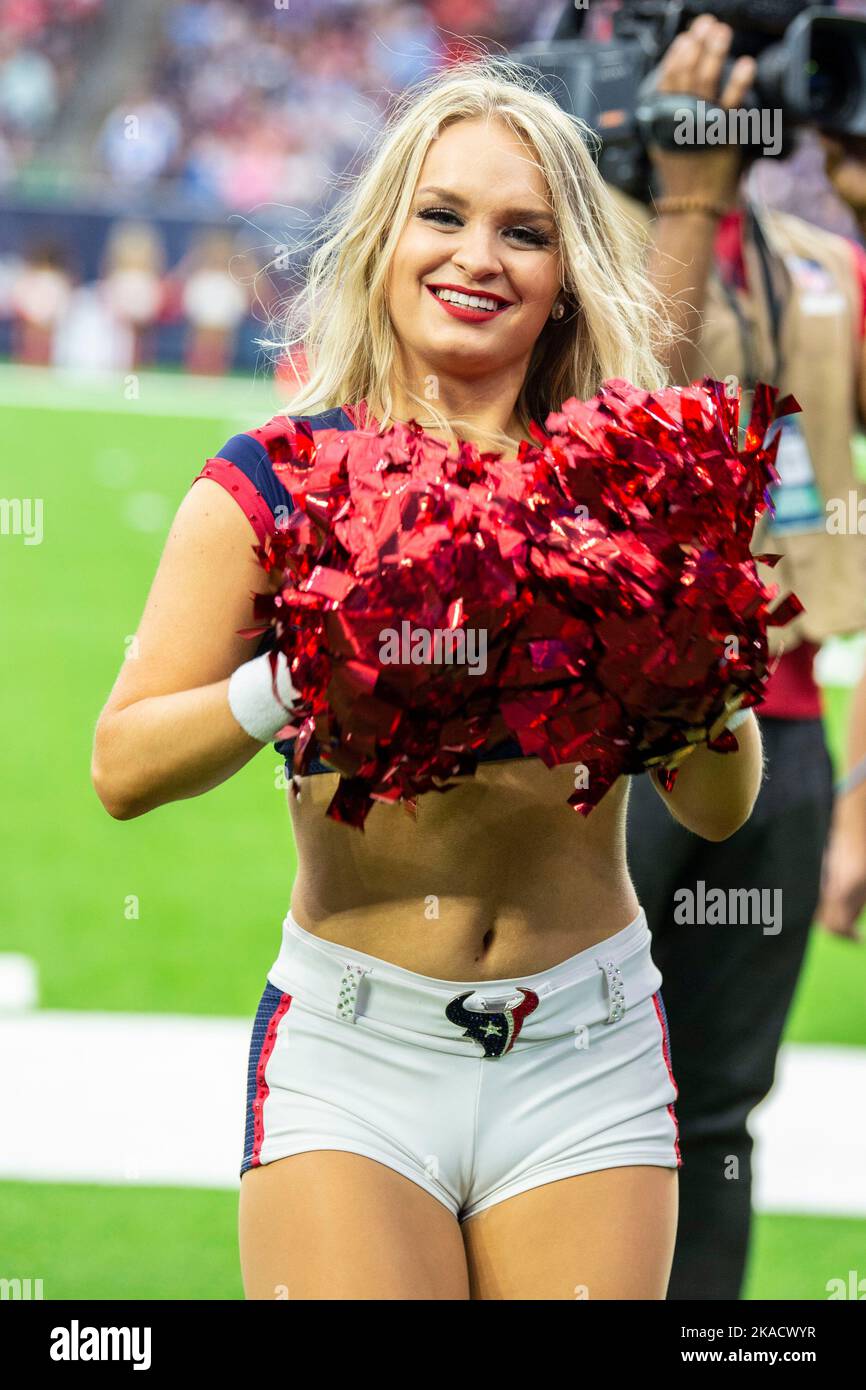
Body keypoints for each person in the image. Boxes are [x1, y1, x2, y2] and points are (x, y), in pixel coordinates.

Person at [91, 58, 763, 1302]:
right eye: (441, 214)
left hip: (584, 1046)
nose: (477, 257)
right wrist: (296, 681)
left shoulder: (617, 486)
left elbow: (716, 806)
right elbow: (122, 767)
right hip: (354, 1053)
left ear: (565, 279)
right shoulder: (274, 481)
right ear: (385, 234)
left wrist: (685, 649)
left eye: (525, 232)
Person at [623, 12, 866, 1300]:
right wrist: (679, 201)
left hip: (783, 734)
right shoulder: (569, 243)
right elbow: (628, 426)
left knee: (715, 1119)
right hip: (606, 744)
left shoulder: (824, 265)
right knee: (550, 1097)